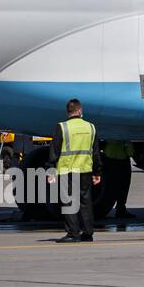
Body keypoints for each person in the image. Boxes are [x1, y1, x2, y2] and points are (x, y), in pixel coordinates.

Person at [48, 99, 101, 242]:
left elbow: (54, 151)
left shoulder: (62, 127)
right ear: (80, 111)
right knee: (85, 201)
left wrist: (51, 170)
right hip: (85, 170)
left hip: (67, 170)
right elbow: (95, 152)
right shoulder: (91, 127)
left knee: (69, 202)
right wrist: (97, 172)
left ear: (68, 112)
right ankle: (88, 233)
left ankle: (73, 233)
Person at [101, 138, 136, 218]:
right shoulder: (125, 136)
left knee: (110, 187)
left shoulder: (109, 135)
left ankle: (109, 208)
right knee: (123, 186)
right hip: (122, 161)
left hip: (109, 160)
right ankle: (120, 209)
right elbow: (130, 153)